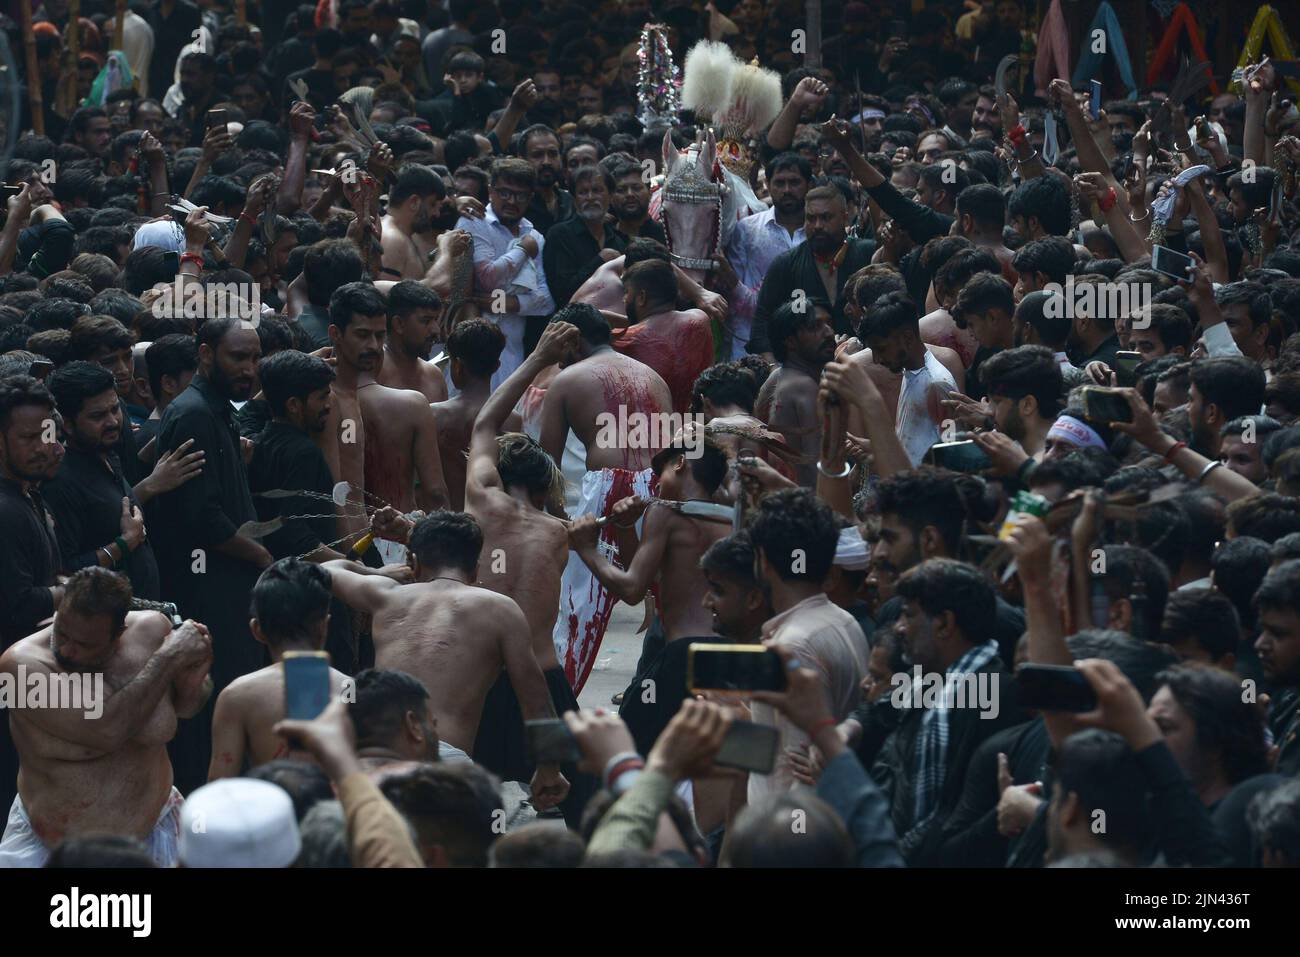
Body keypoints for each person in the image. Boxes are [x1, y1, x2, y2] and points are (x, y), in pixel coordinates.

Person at [322, 511, 570, 808]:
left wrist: (378, 573)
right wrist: (549, 770)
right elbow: (537, 702)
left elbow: (328, 567)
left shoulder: (385, 595)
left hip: (376, 759)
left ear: (413, 563)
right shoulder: (501, 610)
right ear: (476, 570)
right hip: (443, 761)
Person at [0, 568, 212, 867]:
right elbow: (107, 730)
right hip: (54, 852)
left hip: (156, 831)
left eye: (85, 644)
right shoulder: (20, 667)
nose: (67, 649)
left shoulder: (152, 630)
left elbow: (188, 708)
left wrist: (196, 671)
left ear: (119, 633)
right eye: (62, 632)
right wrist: (169, 658)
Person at [152, 317, 269, 794]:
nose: (249, 369)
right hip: (210, 587)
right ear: (205, 355)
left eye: (255, 359)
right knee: (216, 697)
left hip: (227, 581)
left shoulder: (217, 410)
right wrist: (262, 556)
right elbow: (203, 518)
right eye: (238, 357)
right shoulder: (196, 413)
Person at [537, 304, 672, 693]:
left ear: (572, 341)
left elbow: (547, 466)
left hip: (612, 490)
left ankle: (557, 704)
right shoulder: (652, 375)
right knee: (666, 599)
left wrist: (562, 521)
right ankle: (651, 692)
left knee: (579, 611)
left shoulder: (566, 381)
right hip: (661, 488)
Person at [746, 488, 867, 800]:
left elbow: (800, 771)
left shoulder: (793, 646)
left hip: (787, 836)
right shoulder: (844, 621)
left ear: (762, 559)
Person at [208, 559, 353, 779]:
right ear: (325, 625)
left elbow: (220, 787)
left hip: (272, 808)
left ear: (257, 630)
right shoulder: (349, 687)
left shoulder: (236, 696)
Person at [43, 361, 162, 599]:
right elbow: (65, 570)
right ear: (67, 424)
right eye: (98, 416)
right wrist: (124, 543)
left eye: (115, 409)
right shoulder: (60, 481)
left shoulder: (108, 454)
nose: (113, 422)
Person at [458, 158, 556, 386]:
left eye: (520, 195)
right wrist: (523, 250)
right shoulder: (473, 221)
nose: (511, 201)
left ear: (531, 197)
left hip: (513, 355)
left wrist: (502, 303)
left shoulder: (533, 233)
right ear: (490, 190)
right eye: (504, 193)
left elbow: (545, 301)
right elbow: (488, 277)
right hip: (471, 353)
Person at [613, 258, 715, 415]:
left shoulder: (624, 340)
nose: (624, 299)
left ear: (641, 297)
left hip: (655, 431)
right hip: (698, 427)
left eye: (627, 292)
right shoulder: (700, 319)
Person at [428, 318, 506, 510]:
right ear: (497, 365)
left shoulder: (434, 414)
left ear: (457, 366)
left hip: (443, 521)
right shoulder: (512, 419)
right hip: (490, 521)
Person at [755, 301, 835, 487]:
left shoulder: (777, 376)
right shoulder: (805, 387)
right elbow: (814, 466)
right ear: (790, 341)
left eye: (829, 324)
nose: (829, 333)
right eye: (815, 327)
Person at [543, 164, 627, 308]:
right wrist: (600, 261)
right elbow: (562, 294)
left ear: (610, 195)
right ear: (574, 199)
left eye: (597, 190)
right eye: (583, 192)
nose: (590, 197)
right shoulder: (560, 235)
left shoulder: (618, 240)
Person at [378, 280, 449, 403]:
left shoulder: (435, 376)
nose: (436, 330)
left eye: (436, 320)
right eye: (426, 321)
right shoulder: (373, 372)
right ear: (399, 324)